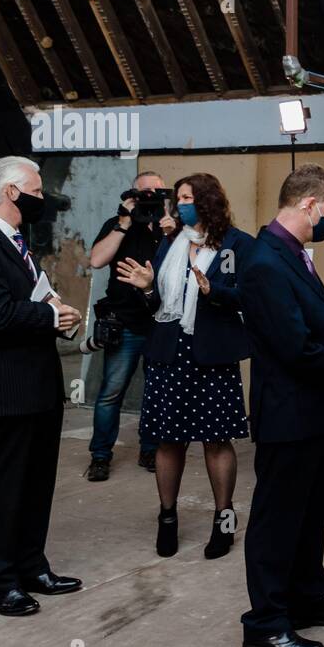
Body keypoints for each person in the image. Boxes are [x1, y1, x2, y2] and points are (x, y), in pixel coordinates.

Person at [236, 165, 324, 647]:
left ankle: (306, 598)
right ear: (309, 204)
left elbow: (310, 325)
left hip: (313, 411)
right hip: (288, 414)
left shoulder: (291, 253)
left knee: (309, 513)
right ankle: (266, 624)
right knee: (277, 520)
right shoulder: (266, 262)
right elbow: (292, 347)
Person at [0, 156, 83, 616]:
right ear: (11, 192)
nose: (42, 198)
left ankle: (31, 567)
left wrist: (58, 314)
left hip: (38, 388)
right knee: (1, 489)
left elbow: (28, 303)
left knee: (36, 484)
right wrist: (48, 315)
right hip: (5, 391)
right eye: (37, 191)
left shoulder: (16, 243)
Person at [116, 173, 252, 561]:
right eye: (179, 199)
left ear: (208, 201)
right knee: (168, 440)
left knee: (217, 440)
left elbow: (250, 295)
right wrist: (147, 286)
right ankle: (167, 518)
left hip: (212, 354)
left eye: (188, 198)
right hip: (168, 352)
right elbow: (158, 303)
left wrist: (214, 291)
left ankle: (224, 522)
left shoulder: (237, 244)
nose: (181, 205)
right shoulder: (171, 241)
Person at [84, 172, 176, 482]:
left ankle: (150, 449)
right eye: (143, 192)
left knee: (156, 392)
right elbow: (97, 260)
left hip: (161, 323)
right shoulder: (118, 223)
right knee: (111, 392)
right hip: (124, 322)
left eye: (156, 191)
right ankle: (100, 456)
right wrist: (124, 221)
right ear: (132, 195)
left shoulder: (172, 226)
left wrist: (173, 233)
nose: (150, 197)